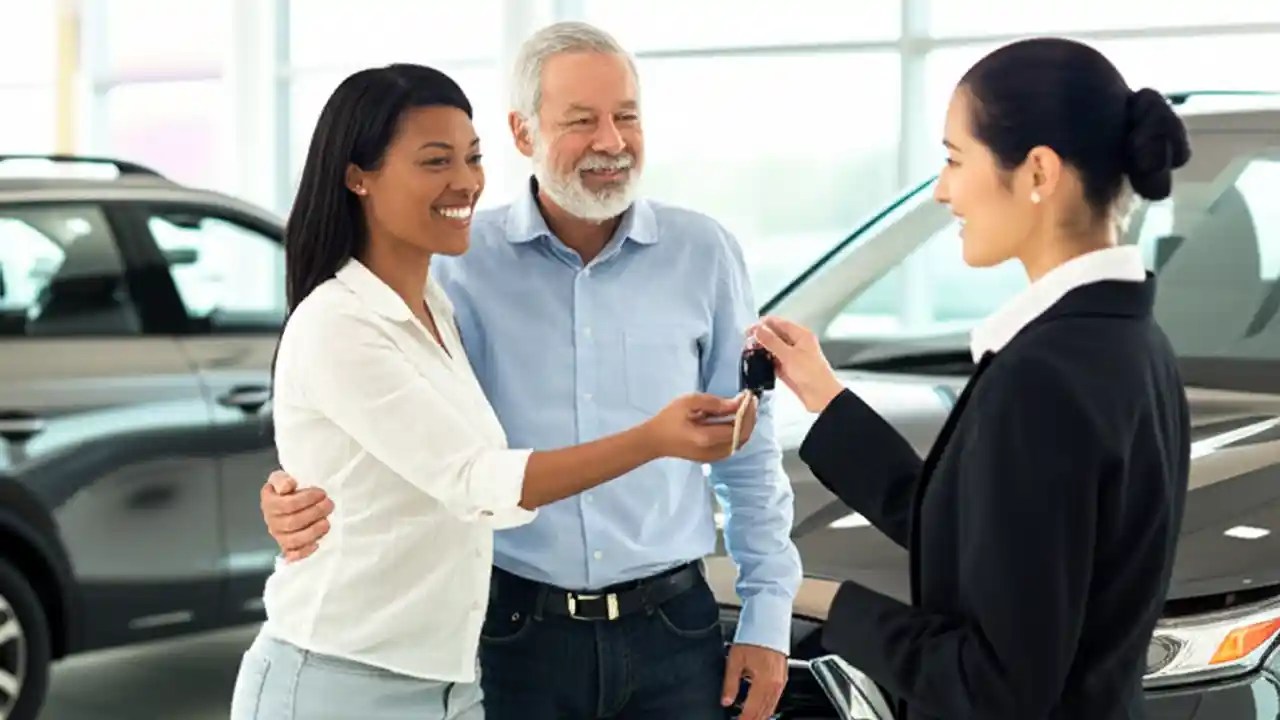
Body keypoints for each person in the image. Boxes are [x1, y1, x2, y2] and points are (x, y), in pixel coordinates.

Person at [257, 22, 801, 720]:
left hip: (674, 630)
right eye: (581, 121)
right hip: (509, 635)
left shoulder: (704, 252)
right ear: (523, 133)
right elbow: (402, 432)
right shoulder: (449, 262)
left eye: (626, 116)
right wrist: (298, 488)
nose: (611, 141)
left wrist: (766, 617)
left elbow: (748, 453)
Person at [750, 37, 1192, 720]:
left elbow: (995, 686)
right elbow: (989, 534)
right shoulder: (1135, 343)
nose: (941, 189)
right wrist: (827, 399)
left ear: (1038, 171)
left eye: (956, 159)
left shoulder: (1041, 377)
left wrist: (824, 604)